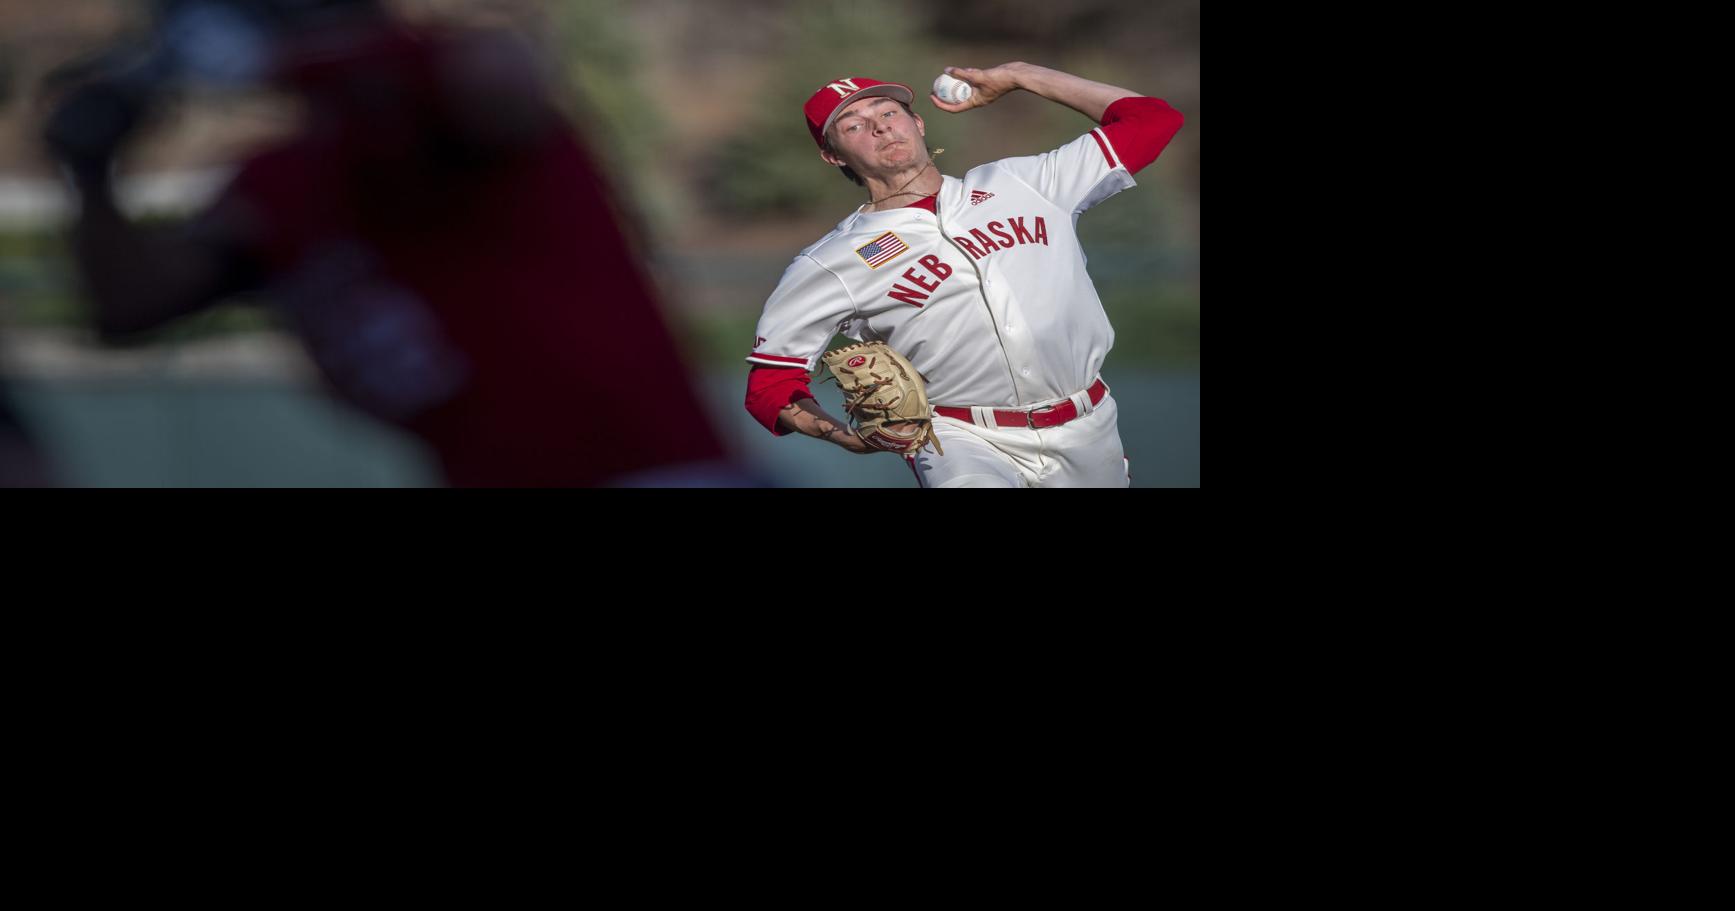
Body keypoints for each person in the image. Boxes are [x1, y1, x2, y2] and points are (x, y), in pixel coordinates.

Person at [42, 0, 737, 487]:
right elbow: (131, 305)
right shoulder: (278, 181)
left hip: (654, 471)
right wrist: (91, 170)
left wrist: (289, 53)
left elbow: (501, 74)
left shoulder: (439, 105)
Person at [743, 63, 1183, 488]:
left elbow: (1153, 119)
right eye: (853, 125)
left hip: (1088, 426)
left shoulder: (1026, 183)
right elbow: (771, 383)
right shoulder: (830, 261)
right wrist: (844, 438)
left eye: (888, 112)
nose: (879, 127)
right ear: (831, 154)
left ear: (917, 123)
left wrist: (1021, 76)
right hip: (960, 438)